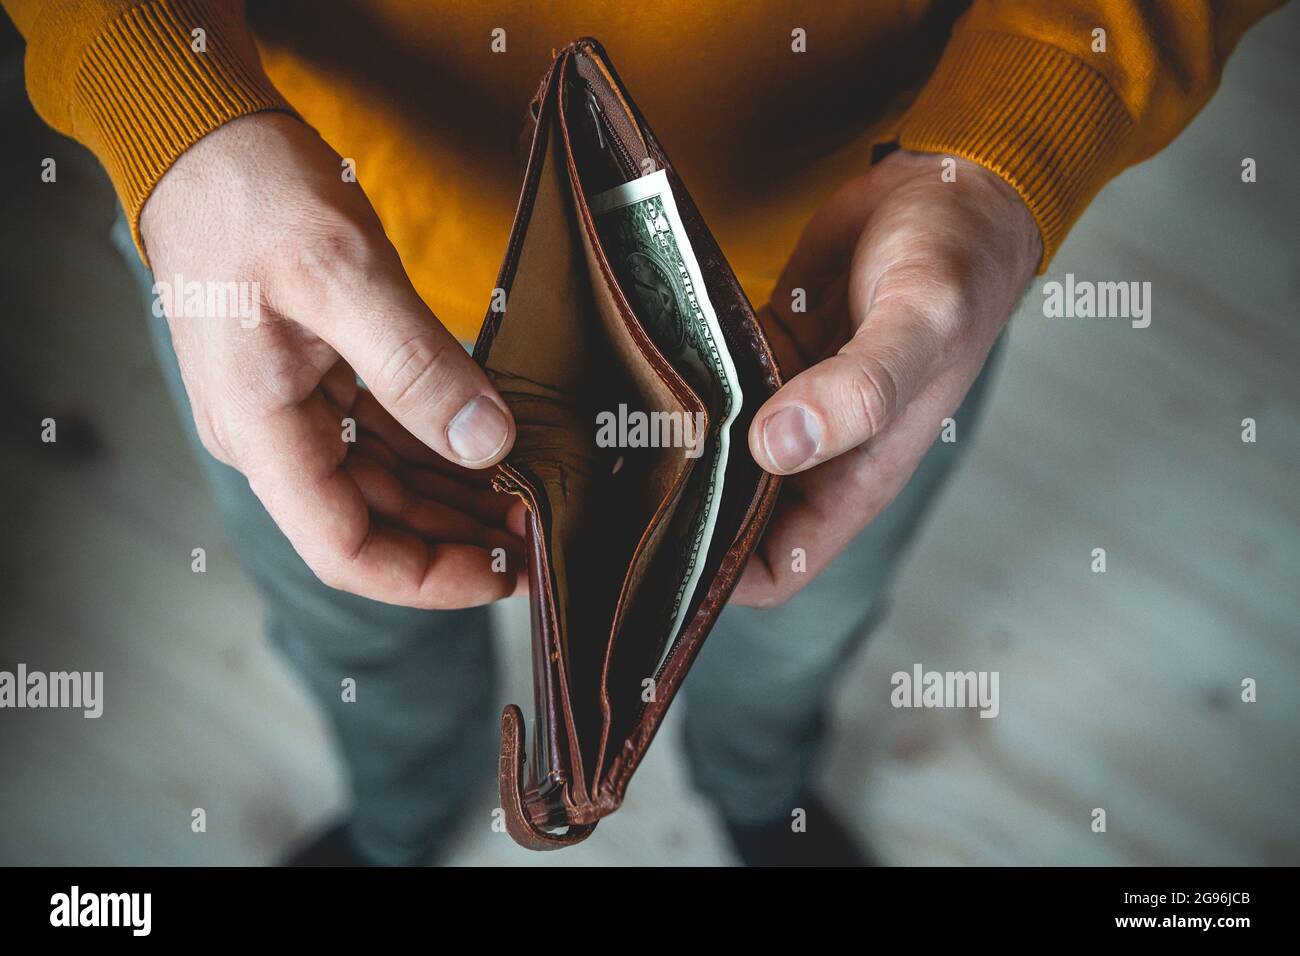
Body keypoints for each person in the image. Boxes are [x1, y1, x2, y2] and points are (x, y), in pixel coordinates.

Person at [4, 0, 1282, 865]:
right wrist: (163, 105)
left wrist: (1013, 141)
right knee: (353, 616)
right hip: (290, 275)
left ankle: (756, 793)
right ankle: (401, 820)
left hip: (835, 282)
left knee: (792, 612)